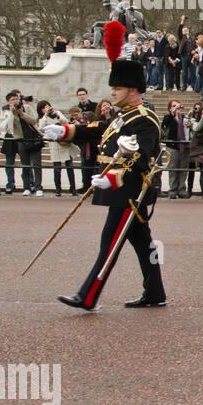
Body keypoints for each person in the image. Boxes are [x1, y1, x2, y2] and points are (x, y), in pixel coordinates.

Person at [42, 47, 166, 310]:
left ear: (132, 89)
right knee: (144, 244)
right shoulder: (125, 114)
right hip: (122, 191)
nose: (112, 92)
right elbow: (97, 128)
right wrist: (65, 130)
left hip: (128, 192)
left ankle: (88, 296)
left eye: (117, 88)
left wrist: (114, 178)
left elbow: (140, 156)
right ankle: (155, 292)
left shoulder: (145, 119)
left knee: (109, 242)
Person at [37, 99, 79, 196]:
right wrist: (46, 115)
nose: (46, 109)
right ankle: (58, 189)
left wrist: (57, 115)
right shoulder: (43, 118)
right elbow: (41, 128)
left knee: (69, 166)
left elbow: (65, 121)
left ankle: (73, 189)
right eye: (44, 108)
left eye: (47, 106)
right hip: (55, 143)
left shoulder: (57, 113)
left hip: (64, 141)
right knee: (57, 168)